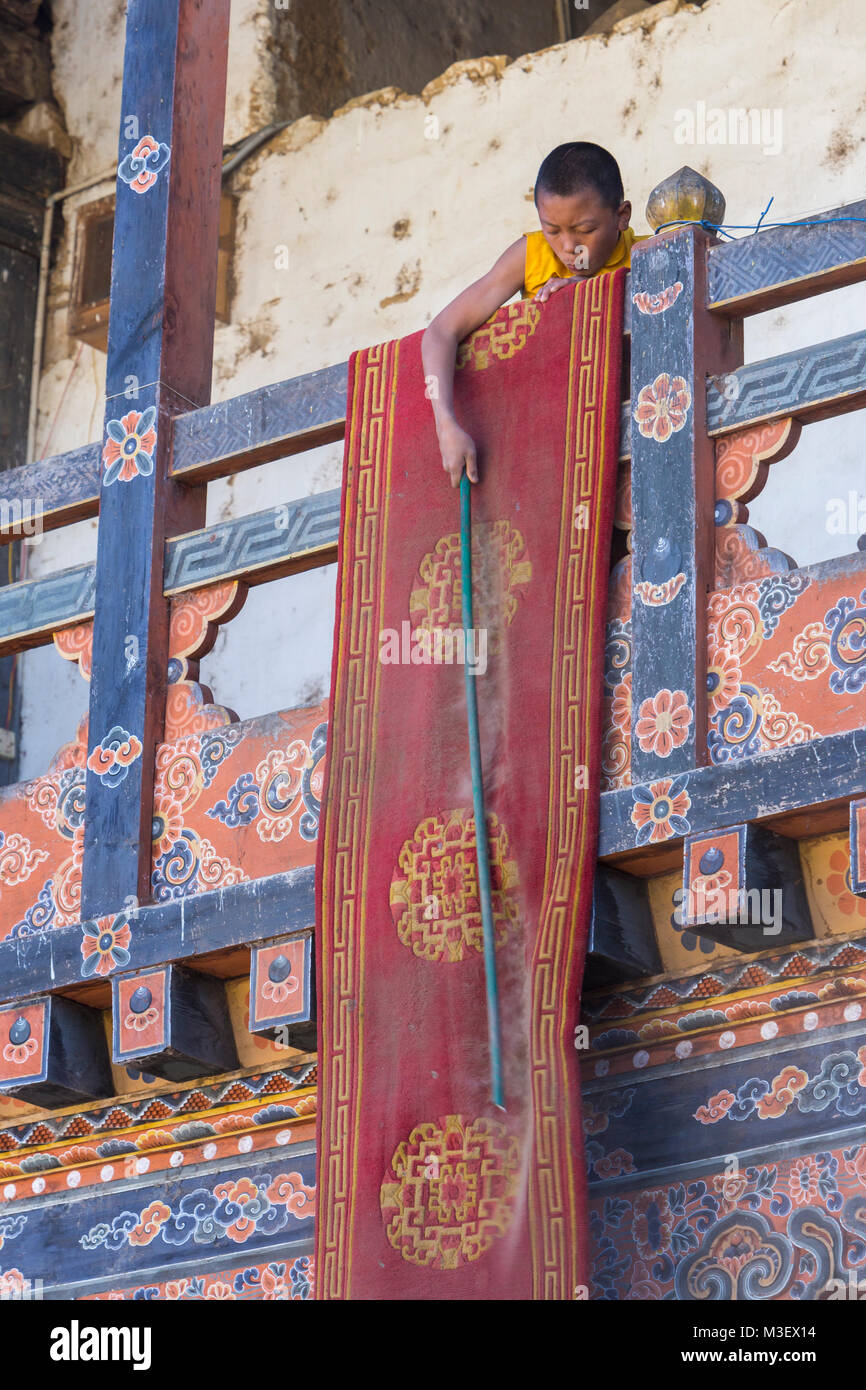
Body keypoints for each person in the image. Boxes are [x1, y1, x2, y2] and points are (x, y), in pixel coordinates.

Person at [421, 141, 645, 487]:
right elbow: (440, 332)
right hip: (555, 443)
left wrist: (591, 292)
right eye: (552, 230)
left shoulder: (650, 256)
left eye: (585, 230)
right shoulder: (532, 257)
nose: (569, 247)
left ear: (622, 215)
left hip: (636, 436)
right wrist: (445, 424)